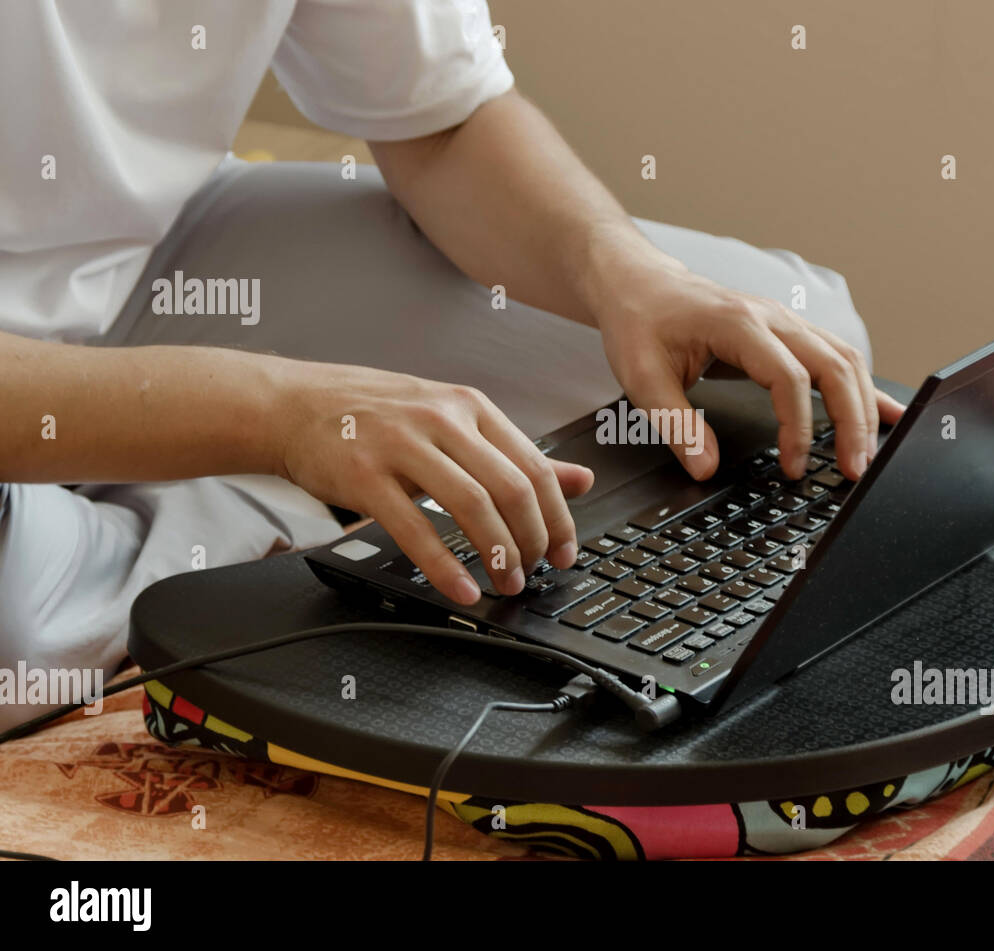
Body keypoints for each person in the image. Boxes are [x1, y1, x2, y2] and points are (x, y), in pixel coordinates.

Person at [0, 0, 902, 727]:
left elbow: (441, 121)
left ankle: (138, 510)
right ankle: (238, 510)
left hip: (143, 258)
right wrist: (280, 413)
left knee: (791, 351)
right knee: (16, 638)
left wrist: (628, 277)